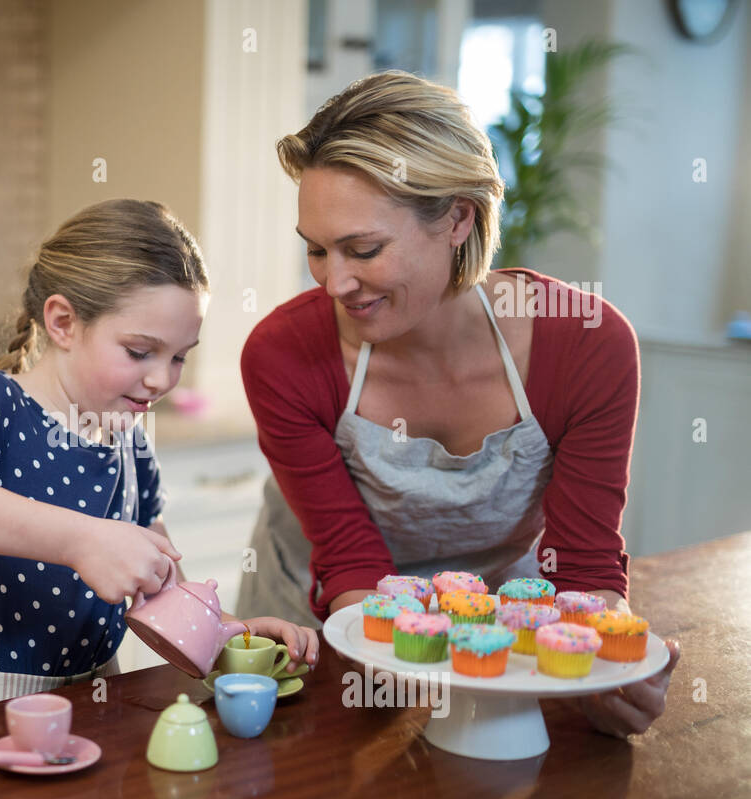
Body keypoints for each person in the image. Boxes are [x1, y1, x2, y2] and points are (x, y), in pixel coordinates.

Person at [235, 71, 679, 738]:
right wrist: (407, 668)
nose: (335, 282)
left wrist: (595, 664)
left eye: (363, 249)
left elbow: (582, 564)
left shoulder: (588, 344)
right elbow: (352, 563)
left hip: (500, 620)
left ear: (458, 218)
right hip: (324, 614)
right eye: (317, 251)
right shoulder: (283, 356)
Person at [0, 199, 320, 716]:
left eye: (178, 356)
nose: (162, 379)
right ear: (62, 321)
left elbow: (164, 597)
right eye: (140, 351)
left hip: (100, 713)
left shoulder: (131, 443)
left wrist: (229, 637)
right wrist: (81, 539)